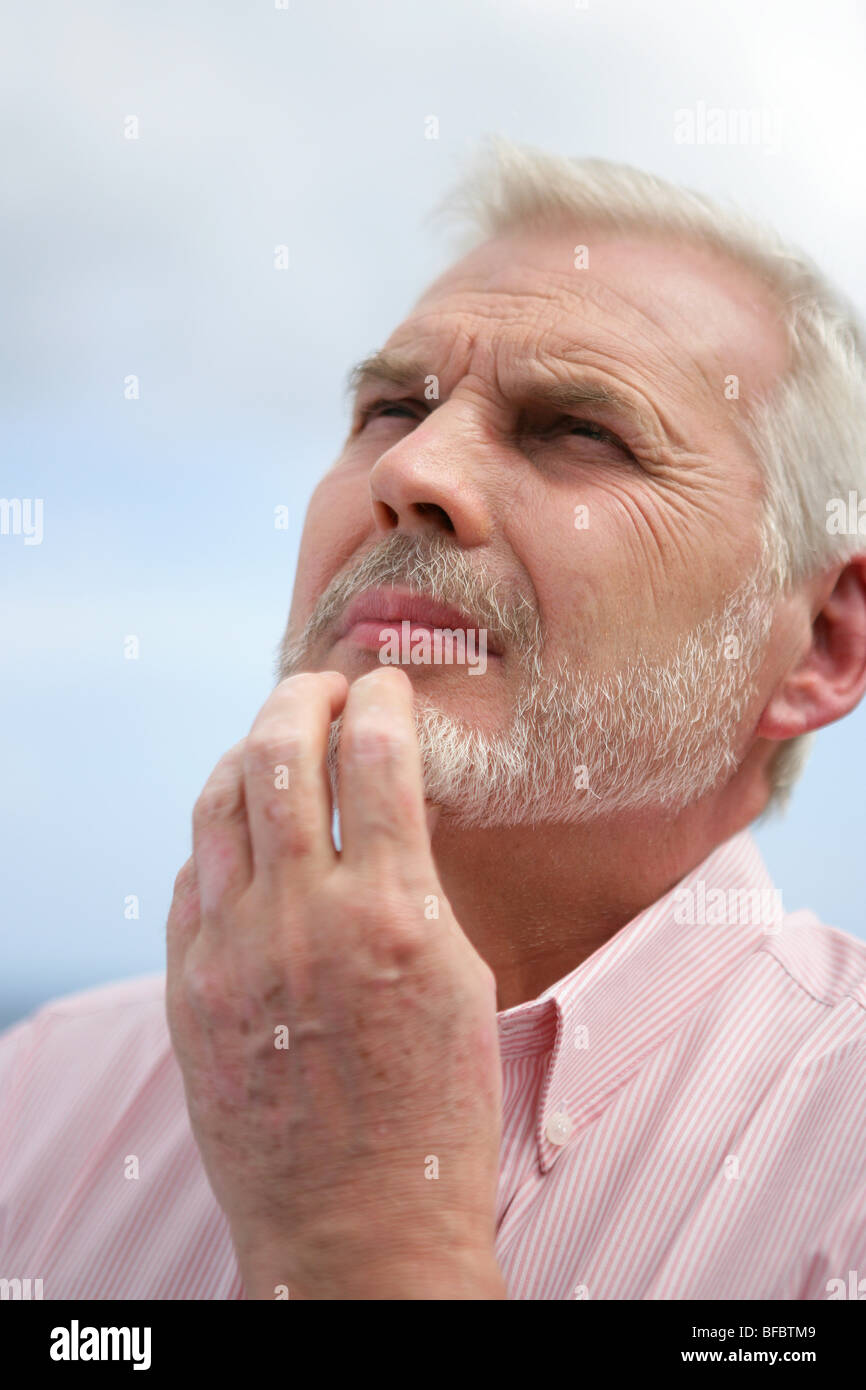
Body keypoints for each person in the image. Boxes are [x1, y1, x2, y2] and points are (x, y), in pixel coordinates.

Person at [3, 140, 866, 1300]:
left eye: (576, 429)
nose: (411, 469)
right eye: (387, 407)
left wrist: (367, 1249)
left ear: (819, 644)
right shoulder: (42, 1087)